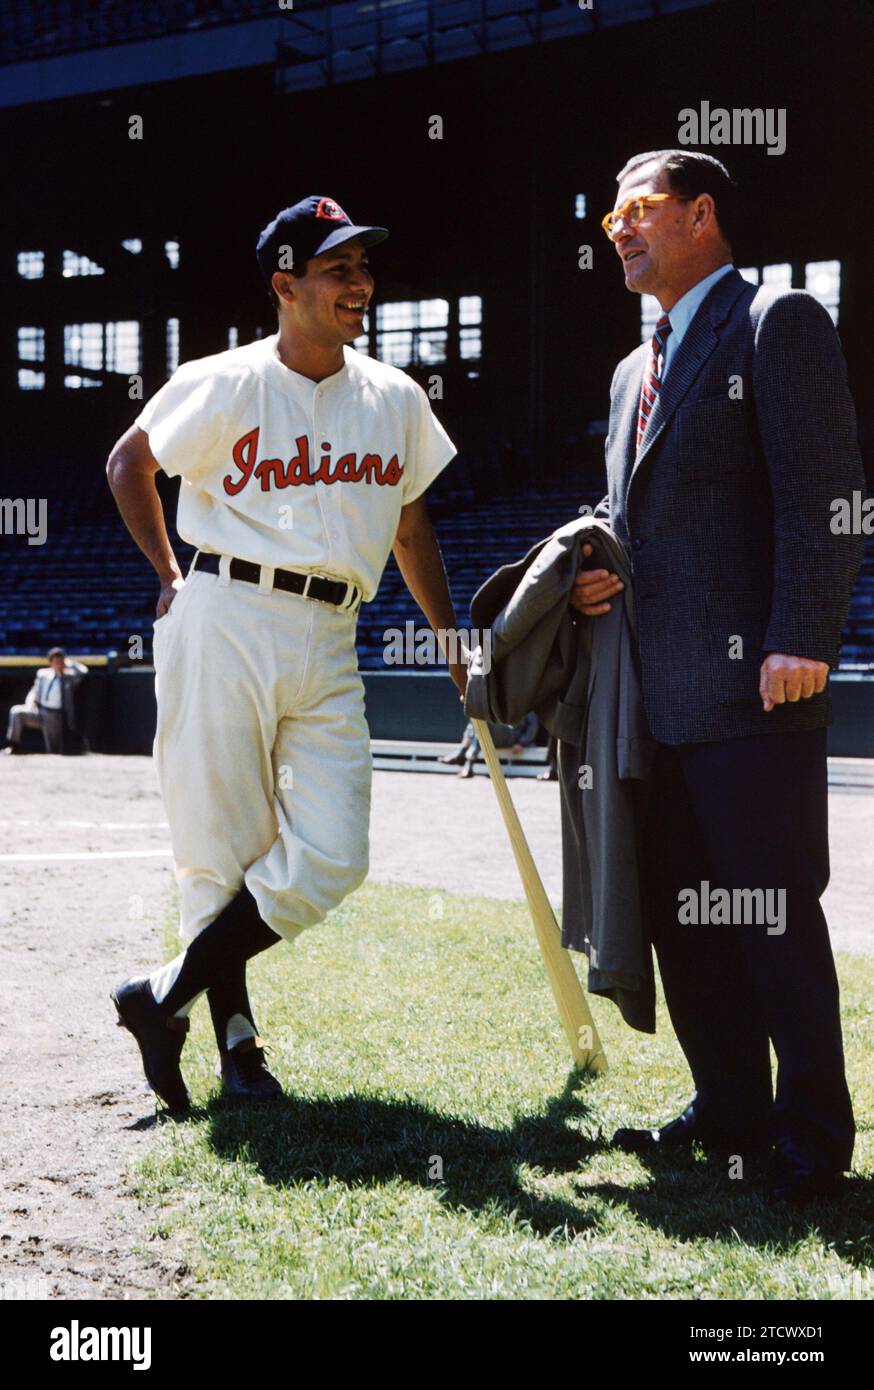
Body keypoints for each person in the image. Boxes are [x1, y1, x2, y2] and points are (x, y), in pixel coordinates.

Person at [107, 195, 466, 1108]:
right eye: (338, 269)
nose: (361, 284)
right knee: (216, 850)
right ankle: (240, 1053)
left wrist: (446, 631)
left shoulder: (394, 395)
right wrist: (167, 574)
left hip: (332, 628)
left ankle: (158, 998)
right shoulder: (222, 379)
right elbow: (128, 463)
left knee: (336, 853)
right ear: (285, 284)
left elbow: (412, 527)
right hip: (225, 609)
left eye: (363, 267)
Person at [572, 150, 865, 1204]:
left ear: (701, 216)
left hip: (755, 693)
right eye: (611, 213)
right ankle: (729, 1107)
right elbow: (635, 522)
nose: (618, 227)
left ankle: (811, 1137)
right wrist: (590, 584)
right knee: (685, 918)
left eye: (639, 208)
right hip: (654, 698)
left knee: (770, 916)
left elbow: (825, 491)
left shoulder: (777, 319)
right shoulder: (628, 369)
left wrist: (803, 636)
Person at [4, 648, 87, 754]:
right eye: (55, 661)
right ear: (50, 663)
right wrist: (30, 703)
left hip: (56, 716)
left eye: (60, 662)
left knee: (54, 750)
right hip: (39, 711)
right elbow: (34, 690)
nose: (58, 664)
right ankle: (14, 747)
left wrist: (69, 662)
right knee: (16, 712)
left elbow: (84, 671)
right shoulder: (43, 674)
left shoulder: (69, 677)